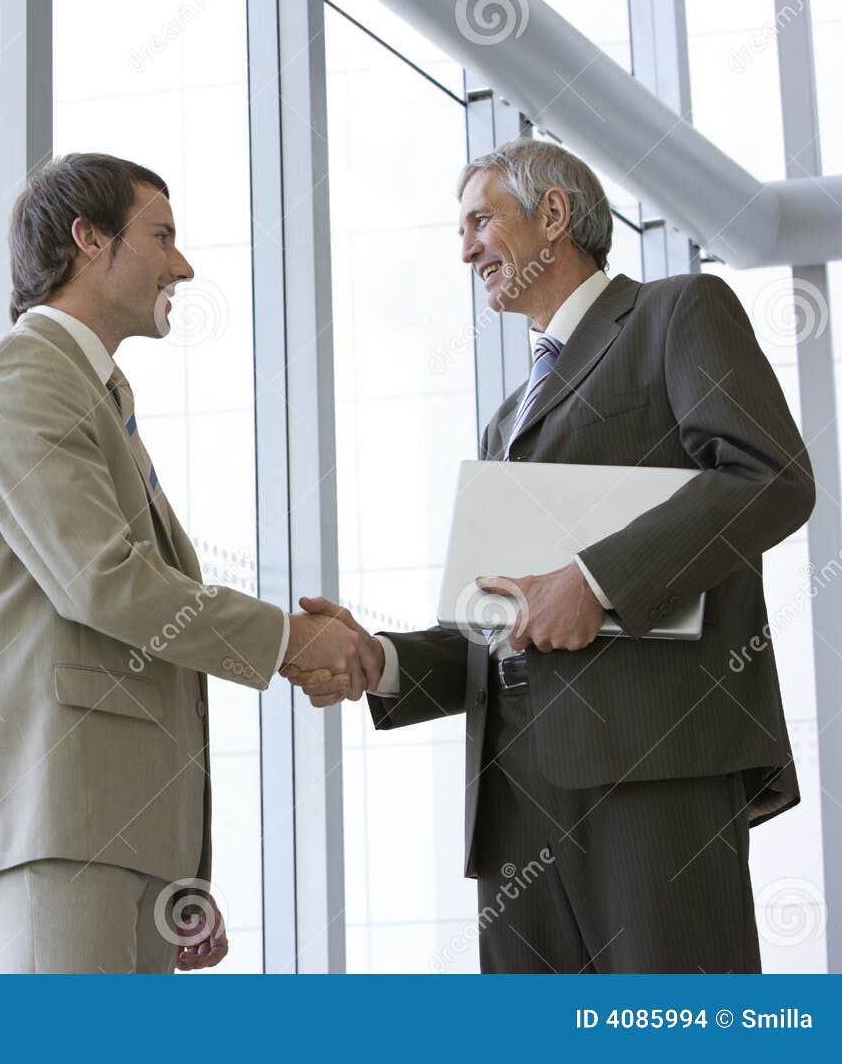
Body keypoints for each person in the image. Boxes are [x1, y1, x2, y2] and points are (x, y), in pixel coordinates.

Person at [302, 137, 814, 972]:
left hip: (651, 766)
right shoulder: (505, 419)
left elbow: (772, 476)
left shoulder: (677, 312)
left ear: (553, 215)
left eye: (479, 220)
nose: (464, 248)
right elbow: (502, 620)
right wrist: (382, 658)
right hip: (512, 792)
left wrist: (597, 581)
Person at [0, 152, 374, 973]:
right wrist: (288, 641)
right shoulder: (23, 379)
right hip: (59, 826)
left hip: (118, 835)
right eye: (162, 235)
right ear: (88, 239)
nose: (183, 264)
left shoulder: (95, 391)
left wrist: (184, 874)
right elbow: (103, 580)